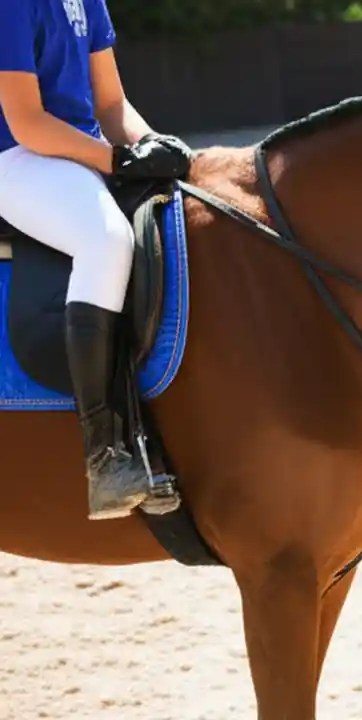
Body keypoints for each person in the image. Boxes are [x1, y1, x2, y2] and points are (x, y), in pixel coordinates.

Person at [0, 0, 194, 520]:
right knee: (105, 239)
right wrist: (117, 160)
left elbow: (111, 104)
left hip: (78, 152)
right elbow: (27, 122)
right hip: (16, 159)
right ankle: (105, 454)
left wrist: (152, 146)